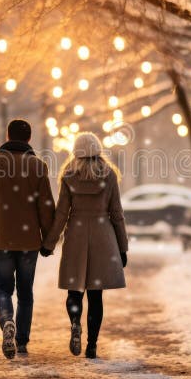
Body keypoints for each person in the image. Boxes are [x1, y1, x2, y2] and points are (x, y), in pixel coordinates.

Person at [0, 119, 55, 359]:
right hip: (29, 240)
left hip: (0, 239)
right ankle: (21, 341)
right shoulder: (38, 166)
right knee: (26, 293)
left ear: (8, 136)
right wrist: (48, 241)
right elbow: (46, 207)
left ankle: (7, 320)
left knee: (3, 288)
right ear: (29, 138)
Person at [42, 132, 128, 359]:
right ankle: (92, 344)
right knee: (95, 295)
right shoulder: (109, 175)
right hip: (103, 236)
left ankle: (75, 325)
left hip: (76, 236)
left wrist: (49, 243)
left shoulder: (69, 175)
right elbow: (117, 213)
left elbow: (61, 213)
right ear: (98, 150)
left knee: (74, 291)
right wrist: (122, 247)